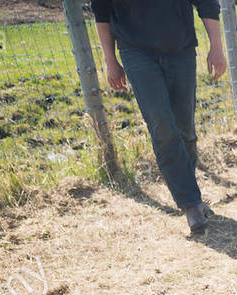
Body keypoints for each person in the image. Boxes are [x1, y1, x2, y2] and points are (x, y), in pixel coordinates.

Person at [92, 0, 226, 235]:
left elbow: (206, 3)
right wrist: (109, 60)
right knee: (162, 125)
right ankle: (190, 204)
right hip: (136, 52)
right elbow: (102, 11)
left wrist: (216, 46)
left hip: (181, 50)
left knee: (185, 130)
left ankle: (190, 194)